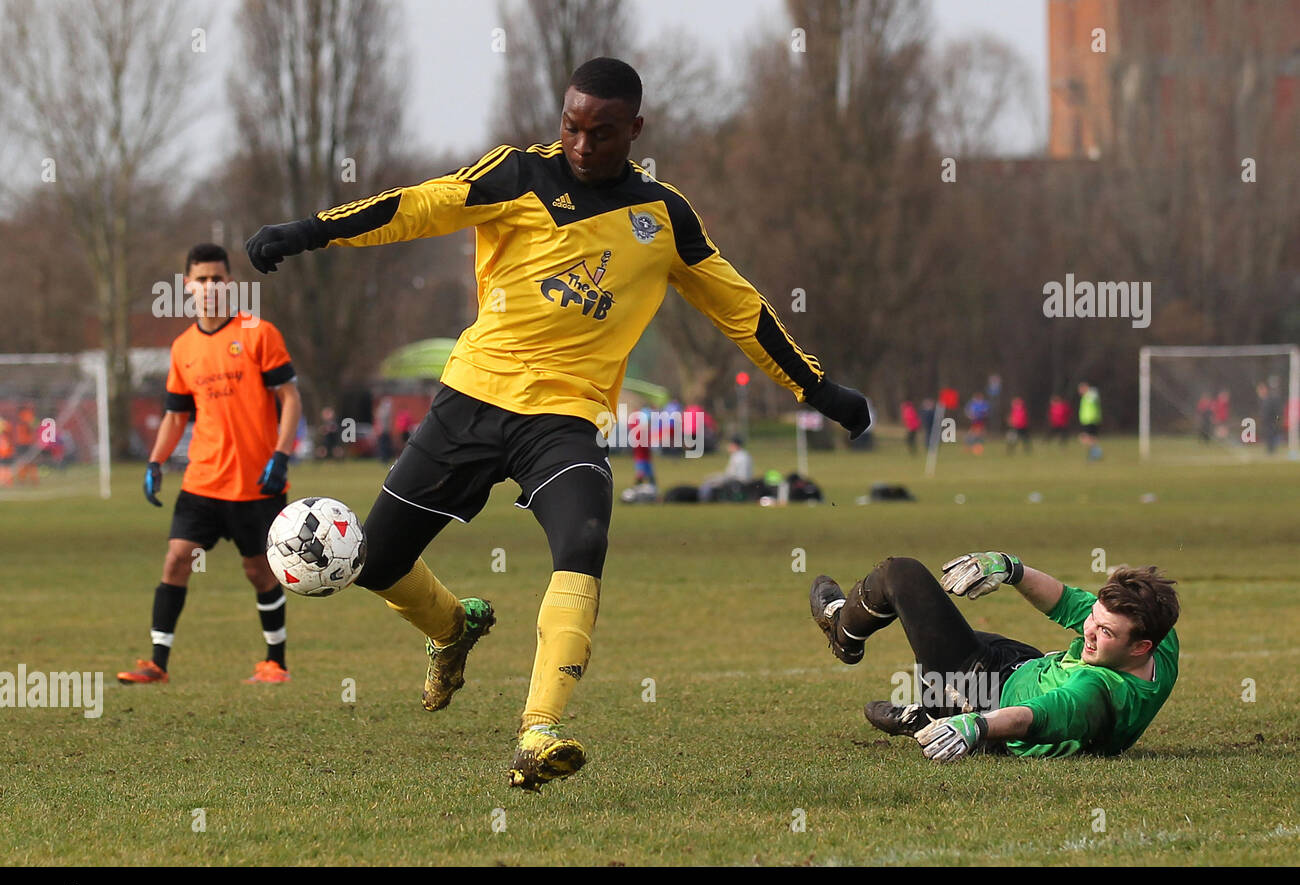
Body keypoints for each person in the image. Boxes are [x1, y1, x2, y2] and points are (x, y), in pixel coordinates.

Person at [245, 57, 871, 791]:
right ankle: (452, 628)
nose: (580, 144)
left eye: (600, 133)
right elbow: (417, 205)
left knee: (584, 540)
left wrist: (819, 389)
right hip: (472, 400)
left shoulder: (662, 217)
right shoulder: (516, 176)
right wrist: (306, 231)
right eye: (570, 126)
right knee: (374, 562)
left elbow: (741, 309)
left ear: (635, 130)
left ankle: (538, 732)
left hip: (564, 420)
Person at [117, 243, 302, 686]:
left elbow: (291, 398)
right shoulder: (182, 348)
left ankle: (275, 662)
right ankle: (157, 663)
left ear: (230, 284)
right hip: (202, 480)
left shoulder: (259, 333)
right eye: (201, 280)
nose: (209, 287)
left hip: (258, 482)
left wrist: (281, 454)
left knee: (259, 570)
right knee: (177, 559)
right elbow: (176, 415)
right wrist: (156, 461)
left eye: (217, 279)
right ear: (188, 286)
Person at [808, 553, 1179, 760]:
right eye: (1094, 620)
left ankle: (846, 633)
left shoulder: (1095, 692)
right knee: (937, 627)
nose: (1089, 632)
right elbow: (1067, 602)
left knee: (902, 576)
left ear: (1139, 647)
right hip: (1023, 664)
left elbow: (1032, 716)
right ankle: (931, 710)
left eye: (1105, 632)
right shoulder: (1160, 638)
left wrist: (977, 727)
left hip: (987, 693)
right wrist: (1009, 567)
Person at [1077, 382, 1102, 459]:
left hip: (1090, 419)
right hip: (1088, 420)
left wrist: (1089, 390)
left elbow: (1094, 397)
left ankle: (1097, 452)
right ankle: (1094, 454)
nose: (1079, 391)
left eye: (1080, 389)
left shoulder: (1090, 395)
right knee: (1092, 438)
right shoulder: (1086, 396)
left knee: (1083, 437)